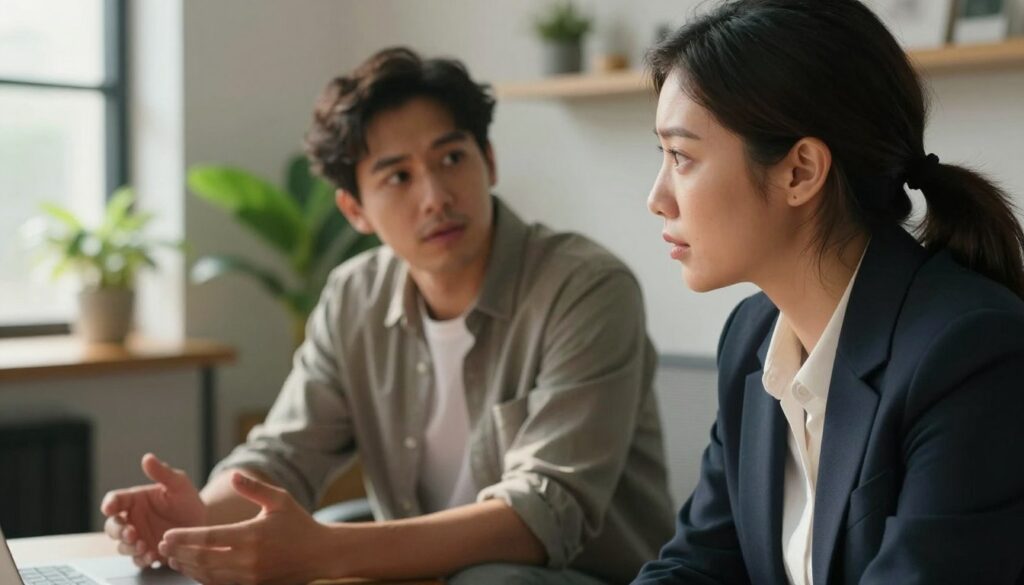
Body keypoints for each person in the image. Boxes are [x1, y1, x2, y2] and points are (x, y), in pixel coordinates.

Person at [100, 47, 674, 585]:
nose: (435, 196)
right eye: (398, 176)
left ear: (489, 161)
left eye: (452, 158)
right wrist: (198, 514)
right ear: (355, 209)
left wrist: (322, 550)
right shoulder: (355, 295)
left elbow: (543, 513)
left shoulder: (586, 287)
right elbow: (283, 454)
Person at [636, 1, 1024, 584]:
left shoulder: (970, 354)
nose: (657, 197)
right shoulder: (751, 338)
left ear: (801, 172)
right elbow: (698, 565)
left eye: (681, 157)